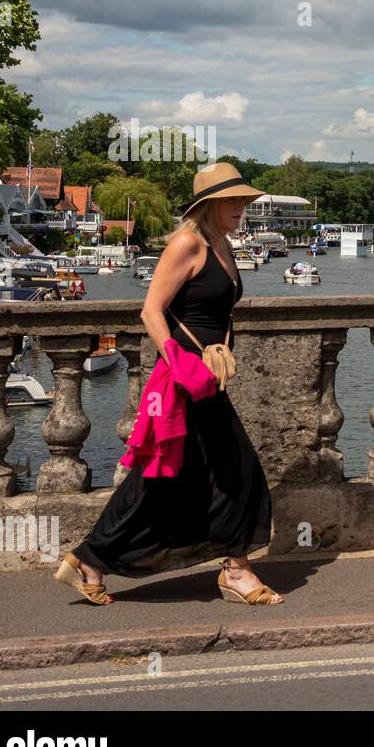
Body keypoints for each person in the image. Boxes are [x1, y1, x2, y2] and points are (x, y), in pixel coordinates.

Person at [55, 163, 281, 606]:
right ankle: (236, 570)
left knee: (165, 479)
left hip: (206, 379)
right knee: (238, 472)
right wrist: (178, 361)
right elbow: (151, 311)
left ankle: (89, 559)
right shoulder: (186, 243)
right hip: (182, 380)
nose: (241, 207)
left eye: (243, 200)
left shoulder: (222, 245)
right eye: (232, 200)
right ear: (209, 205)